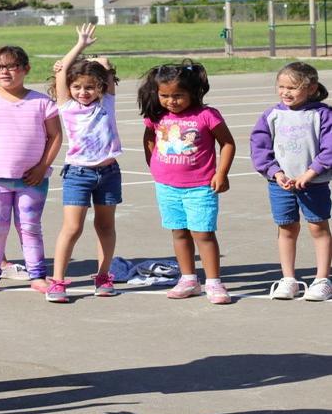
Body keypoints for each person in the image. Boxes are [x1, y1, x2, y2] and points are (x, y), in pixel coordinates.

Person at [0, 46, 63, 296]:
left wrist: (42, 167)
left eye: (10, 66)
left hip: (32, 179)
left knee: (30, 226)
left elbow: (55, 136)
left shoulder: (41, 102)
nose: (3, 71)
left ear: (26, 69)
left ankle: (37, 274)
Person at [140, 61, 236, 304]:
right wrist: (153, 165)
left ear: (193, 92)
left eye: (178, 96)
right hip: (167, 186)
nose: (171, 101)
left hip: (200, 186)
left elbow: (227, 143)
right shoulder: (157, 115)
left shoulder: (206, 115)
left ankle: (213, 282)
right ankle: (188, 279)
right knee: (179, 233)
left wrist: (221, 173)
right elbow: (149, 139)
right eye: (165, 95)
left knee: (203, 233)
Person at [45, 24, 123, 303]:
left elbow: (104, 65)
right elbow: (62, 72)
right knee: (73, 227)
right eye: (77, 87)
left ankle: (103, 276)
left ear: (101, 87)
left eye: (90, 87)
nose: (83, 92)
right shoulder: (67, 106)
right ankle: (57, 281)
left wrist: (94, 62)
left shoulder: (107, 103)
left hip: (109, 172)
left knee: (105, 226)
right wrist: (80, 46)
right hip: (78, 173)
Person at [251, 62, 332, 301]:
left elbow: (329, 149)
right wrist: (276, 173)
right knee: (287, 228)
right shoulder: (271, 115)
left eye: (292, 88)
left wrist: (311, 172)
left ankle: (322, 279)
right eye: (281, 86)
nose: (285, 92)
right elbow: (260, 149)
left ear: (311, 87)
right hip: (281, 184)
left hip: (313, 184)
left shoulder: (322, 114)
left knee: (318, 227)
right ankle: (288, 279)